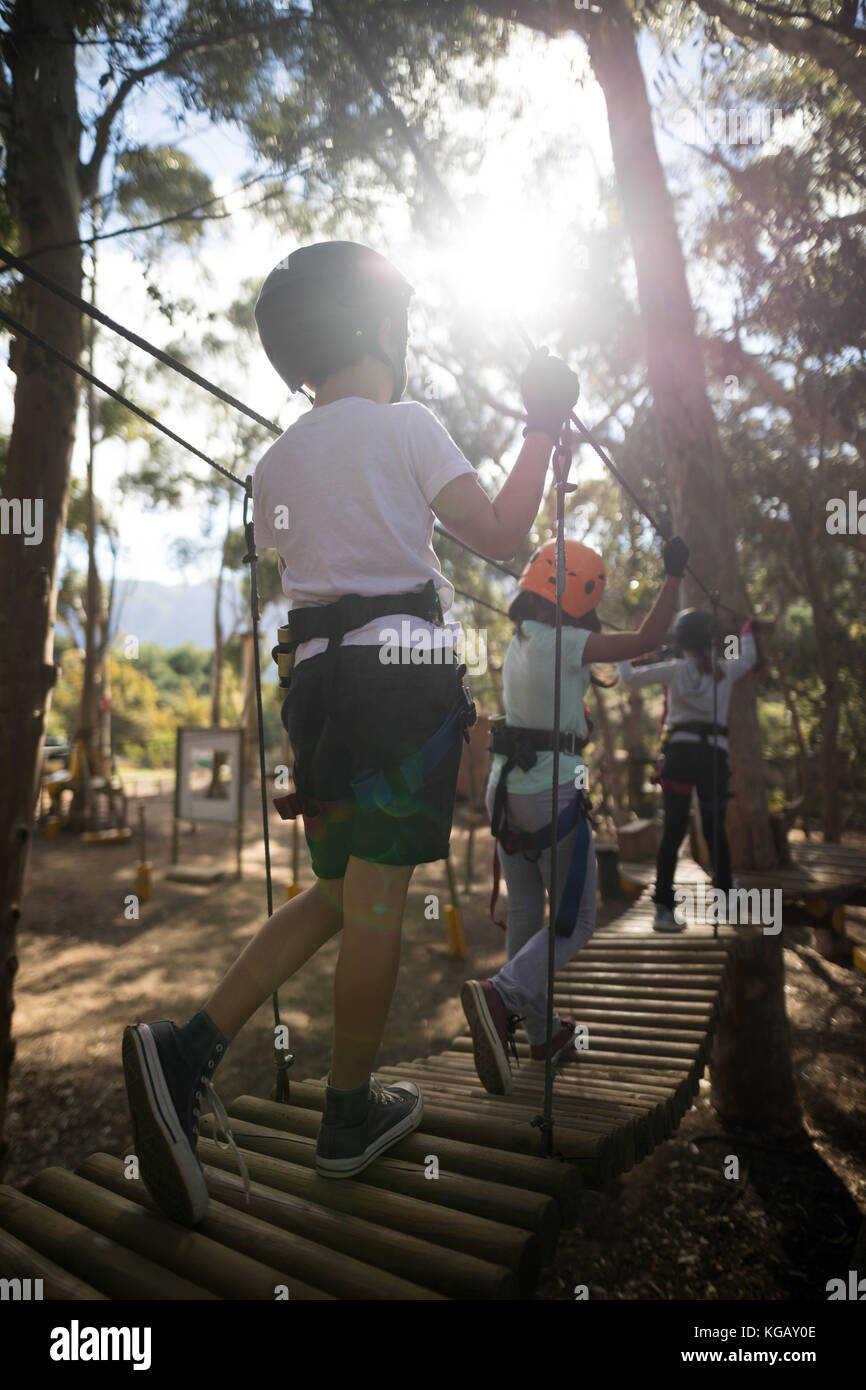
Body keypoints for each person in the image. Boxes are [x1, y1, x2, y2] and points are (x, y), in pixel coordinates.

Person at [122, 240, 581, 1224]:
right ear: (383, 330)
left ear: (297, 364)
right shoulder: (407, 424)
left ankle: (190, 1047)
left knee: (335, 894)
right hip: (395, 683)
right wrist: (541, 426)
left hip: (317, 690)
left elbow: (297, 561)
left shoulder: (273, 460)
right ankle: (342, 1111)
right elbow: (502, 534)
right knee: (376, 903)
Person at [461, 533, 689, 1095]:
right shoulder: (566, 642)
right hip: (549, 793)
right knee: (576, 923)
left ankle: (539, 1032)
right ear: (581, 598)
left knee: (523, 916)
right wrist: (675, 576)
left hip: (505, 788)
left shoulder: (523, 638)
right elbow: (652, 637)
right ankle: (503, 996)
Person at [617, 608, 760, 931]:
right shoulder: (725, 670)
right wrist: (746, 630)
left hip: (679, 757)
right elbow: (748, 658)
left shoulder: (674, 670)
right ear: (708, 639)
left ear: (681, 641)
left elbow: (628, 678)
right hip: (712, 758)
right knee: (714, 828)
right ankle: (725, 893)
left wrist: (624, 651)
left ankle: (664, 910)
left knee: (673, 832)